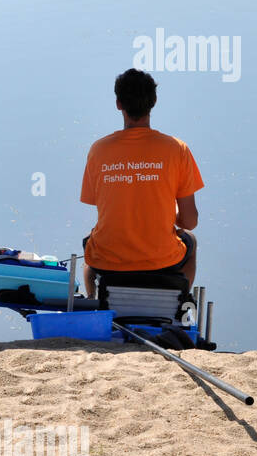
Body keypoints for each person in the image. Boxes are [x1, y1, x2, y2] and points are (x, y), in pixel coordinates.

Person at [80, 68, 203, 299]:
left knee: (92, 244)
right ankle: (180, 303)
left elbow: (105, 205)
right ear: (154, 102)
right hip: (162, 262)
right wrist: (171, 215)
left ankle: (93, 301)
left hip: (108, 262)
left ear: (118, 104)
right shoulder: (177, 149)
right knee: (191, 241)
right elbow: (190, 221)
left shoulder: (99, 150)